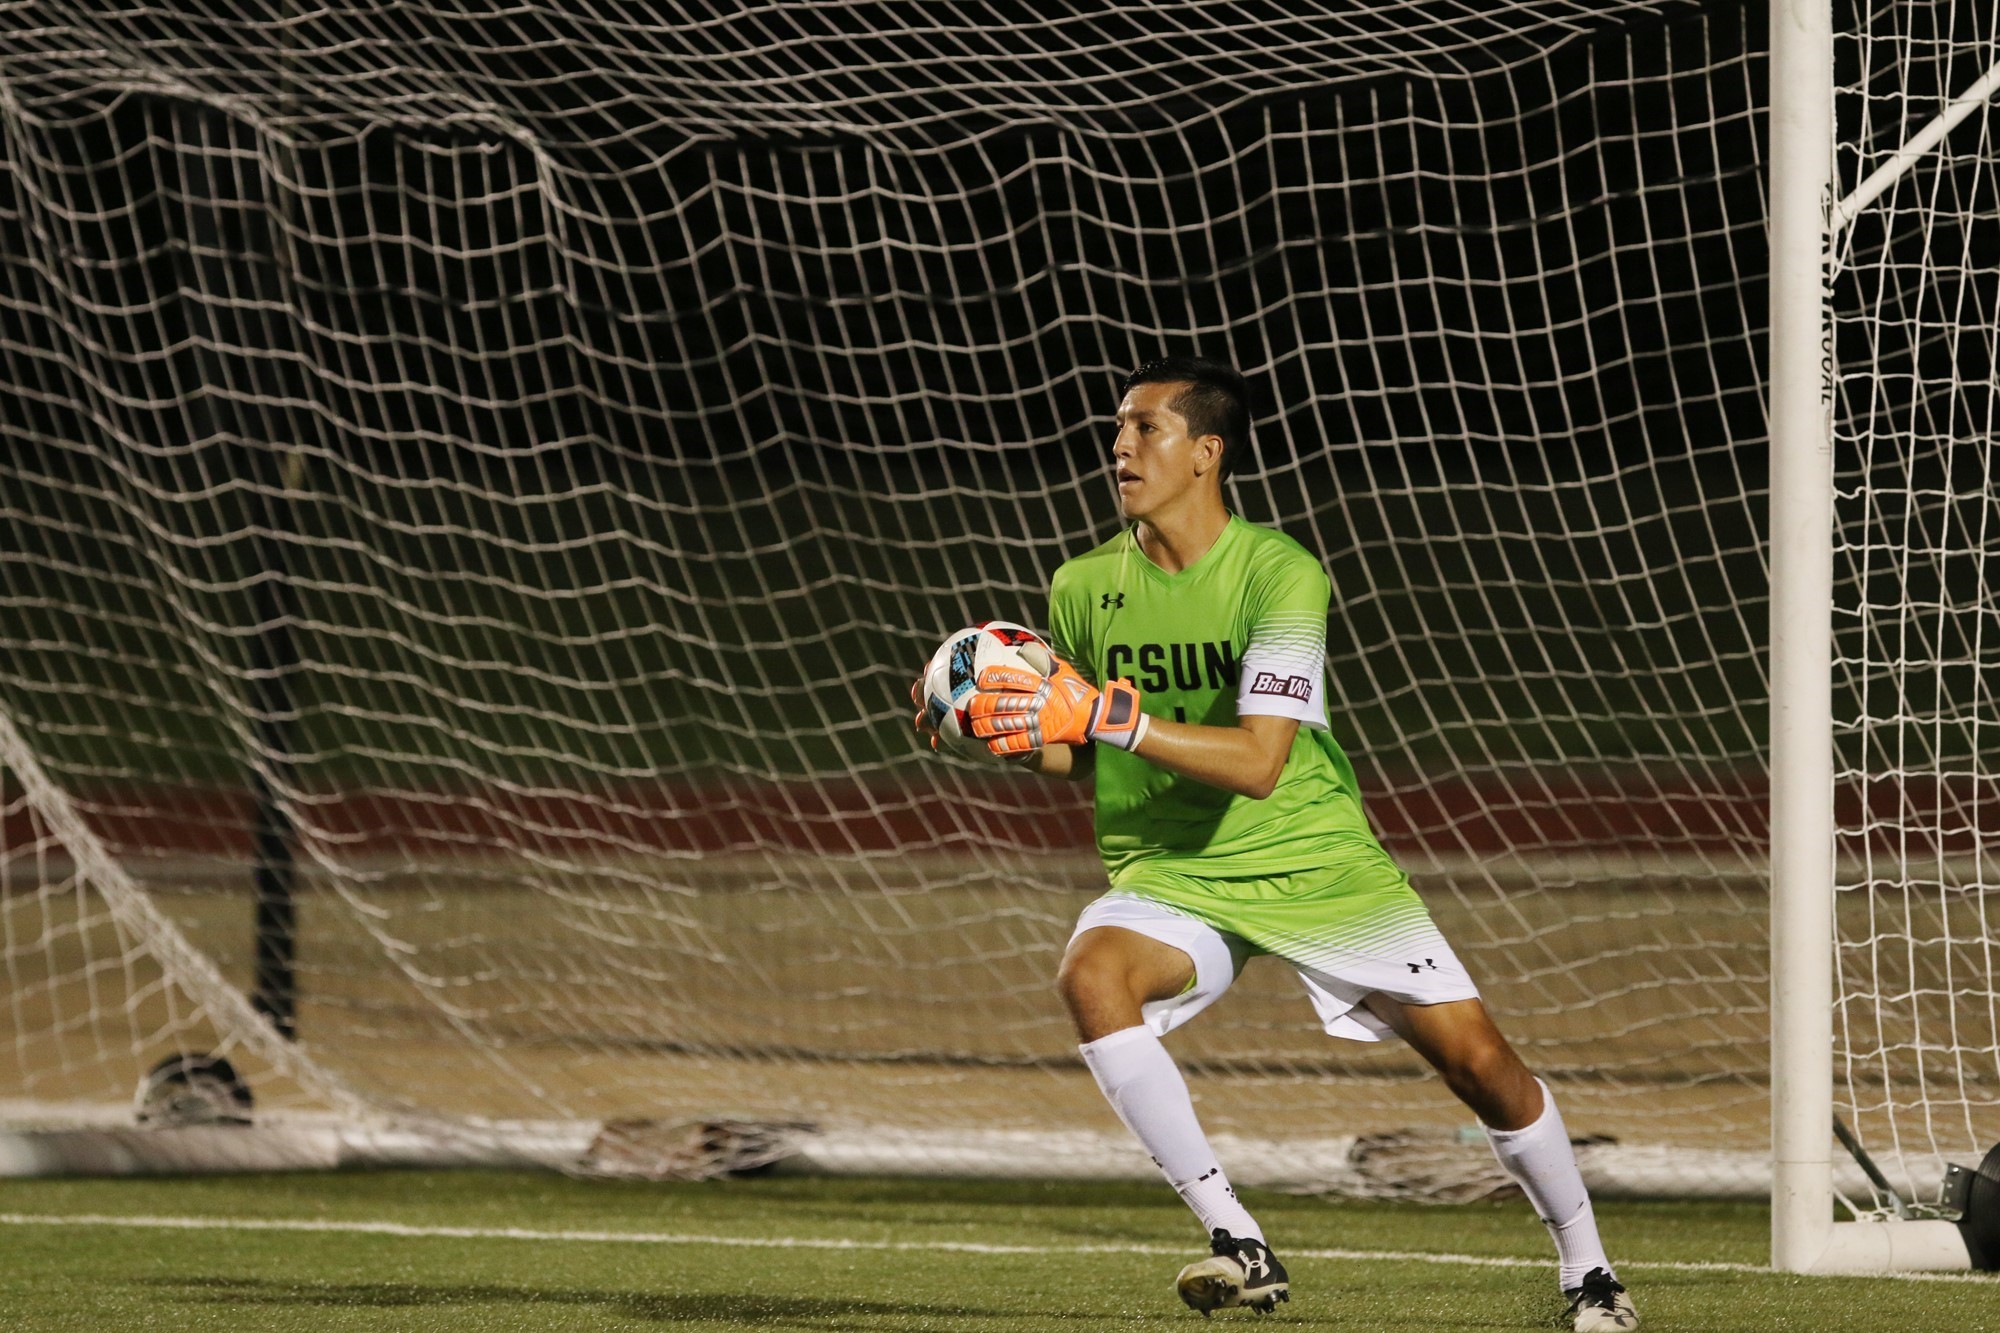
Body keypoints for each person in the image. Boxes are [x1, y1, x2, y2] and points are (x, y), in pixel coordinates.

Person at [913, 357, 1637, 1329]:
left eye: (1144, 429)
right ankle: (1235, 1239)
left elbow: (1258, 761)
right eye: (1116, 430)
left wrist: (1108, 717)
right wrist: (997, 740)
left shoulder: (1278, 574)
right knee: (1091, 973)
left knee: (1479, 1065)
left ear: (1204, 452)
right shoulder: (1082, 584)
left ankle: (1586, 1271)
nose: (1119, 446)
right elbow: (1089, 752)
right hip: (1171, 869)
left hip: (1309, 855)